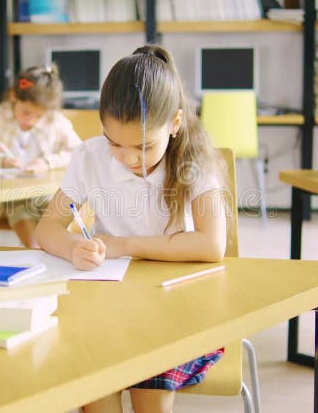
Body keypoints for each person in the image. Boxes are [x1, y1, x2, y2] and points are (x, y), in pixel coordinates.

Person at [35, 44, 230, 413]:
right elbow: (46, 229)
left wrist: (124, 244)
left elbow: (211, 245)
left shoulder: (194, 160)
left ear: (174, 124)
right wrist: (72, 247)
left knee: (148, 391)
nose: (127, 158)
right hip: (110, 301)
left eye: (142, 146)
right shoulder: (89, 156)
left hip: (178, 303)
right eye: (114, 143)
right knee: (92, 385)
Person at [0, 64, 81, 248]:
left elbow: (78, 152)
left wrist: (47, 162)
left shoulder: (55, 121)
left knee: (55, 205)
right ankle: (37, 252)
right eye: (26, 112)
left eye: (38, 116)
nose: (30, 120)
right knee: (21, 205)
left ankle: (55, 250)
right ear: (13, 97)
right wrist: (0, 161)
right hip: (10, 197)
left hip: (45, 193)